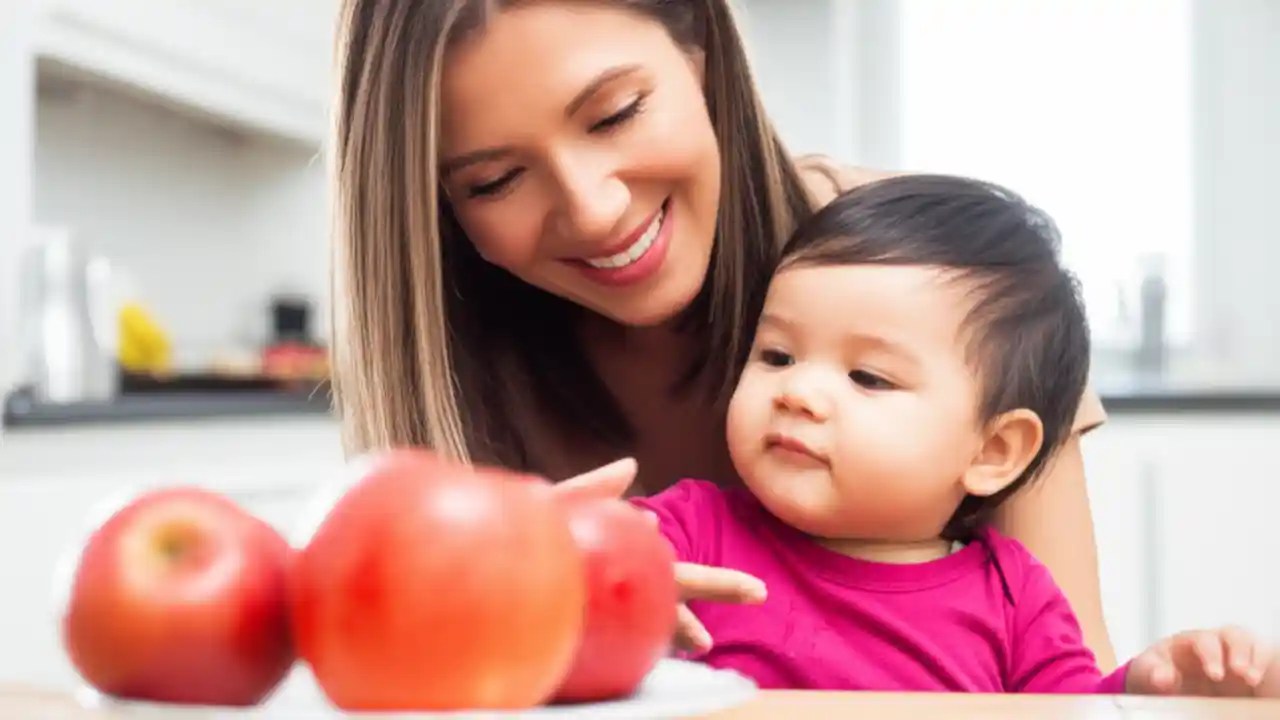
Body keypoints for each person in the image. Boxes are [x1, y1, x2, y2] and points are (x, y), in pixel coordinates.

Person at [327, 0, 1115, 667]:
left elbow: (1074, 688)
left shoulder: (951, 282)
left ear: (700, 49)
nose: (595, 210)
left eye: (615, 114)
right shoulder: (453, 369)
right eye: (494, 181)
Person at [632, 173, 1278, 696]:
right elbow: (577, 580)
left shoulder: (1013, 596)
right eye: (776, 356)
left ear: (993, 452)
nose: (797, 392)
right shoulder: (691, 533)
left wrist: (1155, 685)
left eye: (867, 376)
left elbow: (1077, 712)